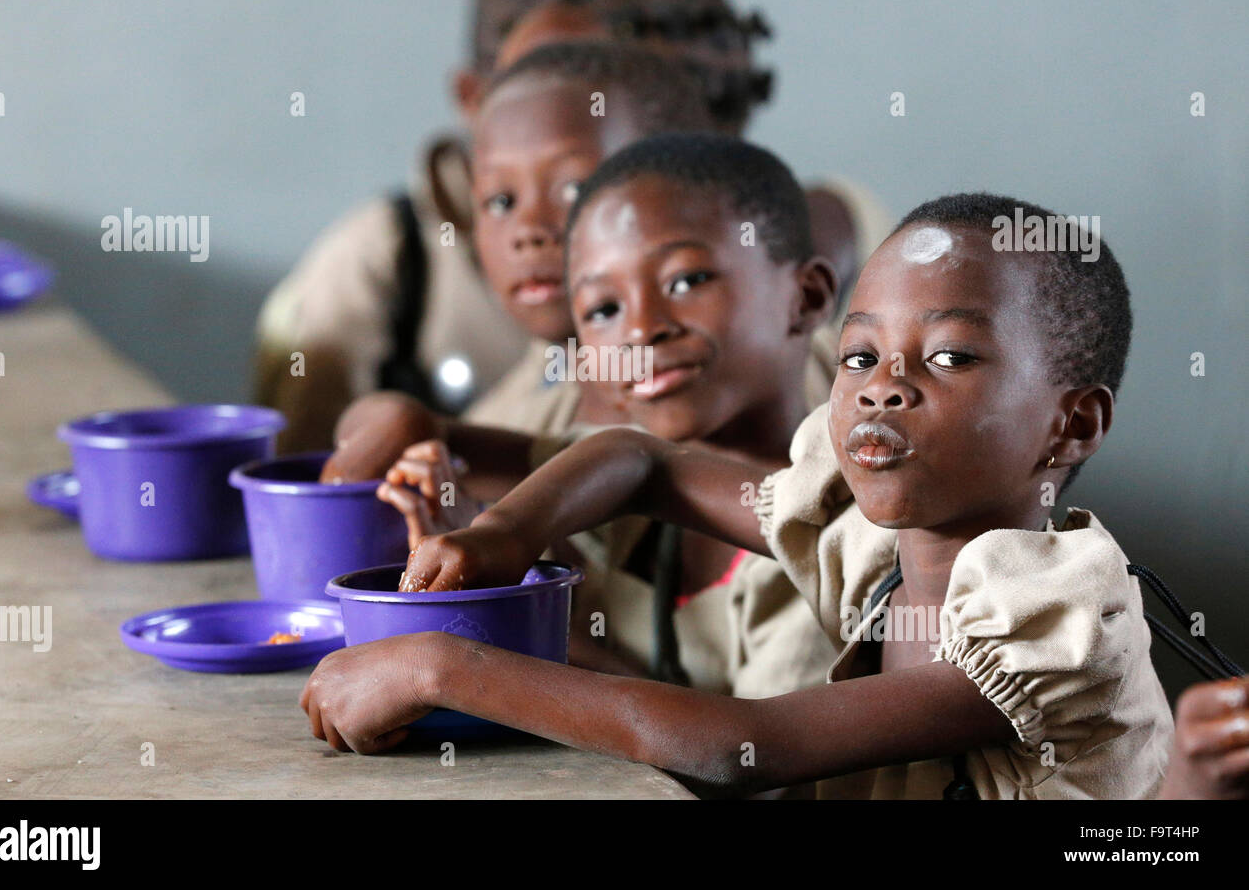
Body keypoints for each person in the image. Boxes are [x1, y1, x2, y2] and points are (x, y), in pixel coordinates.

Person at [301, 192, 1174, 799]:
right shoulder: (865, 545)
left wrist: (437, 665)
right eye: (862, 356)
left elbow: (743, 748)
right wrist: (503, 531)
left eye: (950, 358)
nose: (881, 388)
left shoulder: (1058, 615)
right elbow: (645, 461)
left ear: (1072, 426)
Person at [386, 135, 848, 708]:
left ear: (806, 297)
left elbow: (741, 761)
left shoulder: (833, 534)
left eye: (685, 281)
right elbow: (419, 435)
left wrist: (532, 643)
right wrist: (454, 515)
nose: (641, 330)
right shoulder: (600, 478)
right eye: (605, 310)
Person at [254, 0, 621, 451]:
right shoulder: (384, 256)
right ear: (472, 95)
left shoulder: (645, 270)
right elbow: (305, 472)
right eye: (534, 81)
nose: (533, 229)